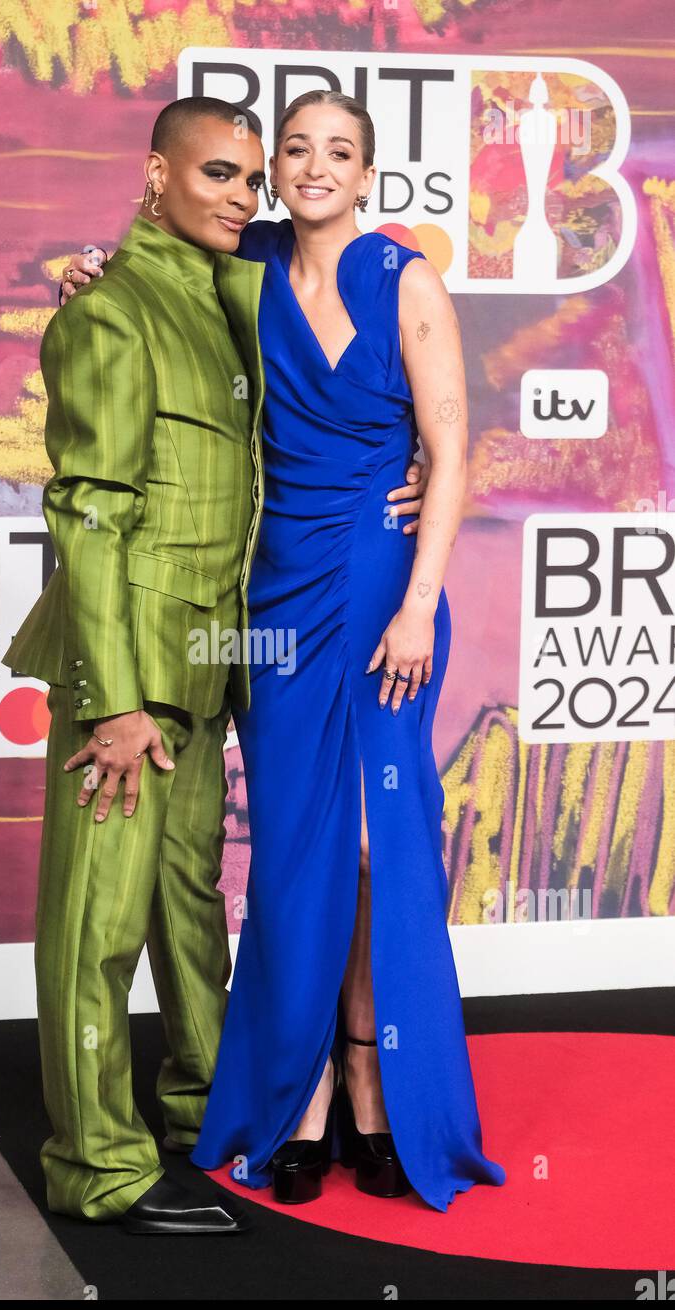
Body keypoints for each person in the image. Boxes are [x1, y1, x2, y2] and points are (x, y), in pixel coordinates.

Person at [56, 91, 498, 1212]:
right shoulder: (240, 266)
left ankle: (372, 1086)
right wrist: (86, 277)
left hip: (382, 581)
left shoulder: (404, 279)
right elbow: (144, 280)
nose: (301, 171)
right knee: (295, 847)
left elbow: (449, 452)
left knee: (369, 842)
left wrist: (419, 600)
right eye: (286, 154)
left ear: (367, 174)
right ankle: (296, 1096)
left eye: (332, 153)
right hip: (272, 592)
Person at [2, 96, 275, 1234]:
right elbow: (90, 516)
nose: (239, 196)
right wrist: (113, 701)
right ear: (155, 174)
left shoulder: (223, 296)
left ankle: (197, 1106)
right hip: (128, 675)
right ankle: (96, 1165)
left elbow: (329, 299)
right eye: (216, 173)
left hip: (205, 662)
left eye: (250, 181)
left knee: (189, 909)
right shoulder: (113, 311)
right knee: (96, 926)